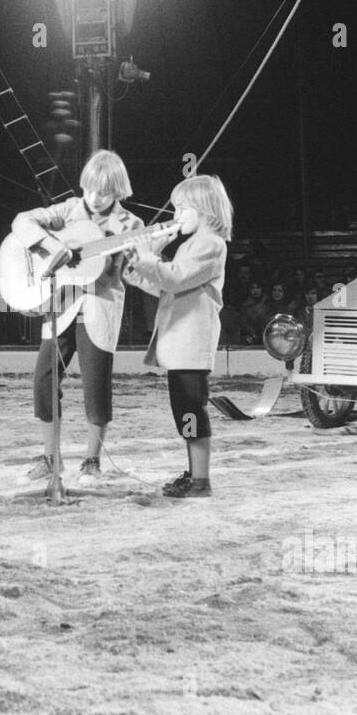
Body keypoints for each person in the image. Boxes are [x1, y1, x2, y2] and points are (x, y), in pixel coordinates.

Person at [10, 149, 144, 483]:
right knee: (43, 380)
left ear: (119, 192)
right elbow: (21, 221)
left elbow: (136, 273)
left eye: (105, 192)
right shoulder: (68, 209)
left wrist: (136, 260)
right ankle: (51, 458)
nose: (96, 198)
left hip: (99, 307)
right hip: (61, 305)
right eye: (90, 190)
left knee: (95, 385)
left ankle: (92, 461)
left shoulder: (131, 225)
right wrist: (53, 247)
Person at [123, 174, 232, 498]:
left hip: (191, 342)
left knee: (191, 410)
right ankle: (193, 473)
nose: (176, 216)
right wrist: (136, 268)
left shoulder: (210, 244)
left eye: (182, 208)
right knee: (184, 410)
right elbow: (164, 285)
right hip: (180, 342)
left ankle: (201, 481)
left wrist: (148, 256)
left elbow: (174, 278)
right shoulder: (191, 244)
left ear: (204, 209)